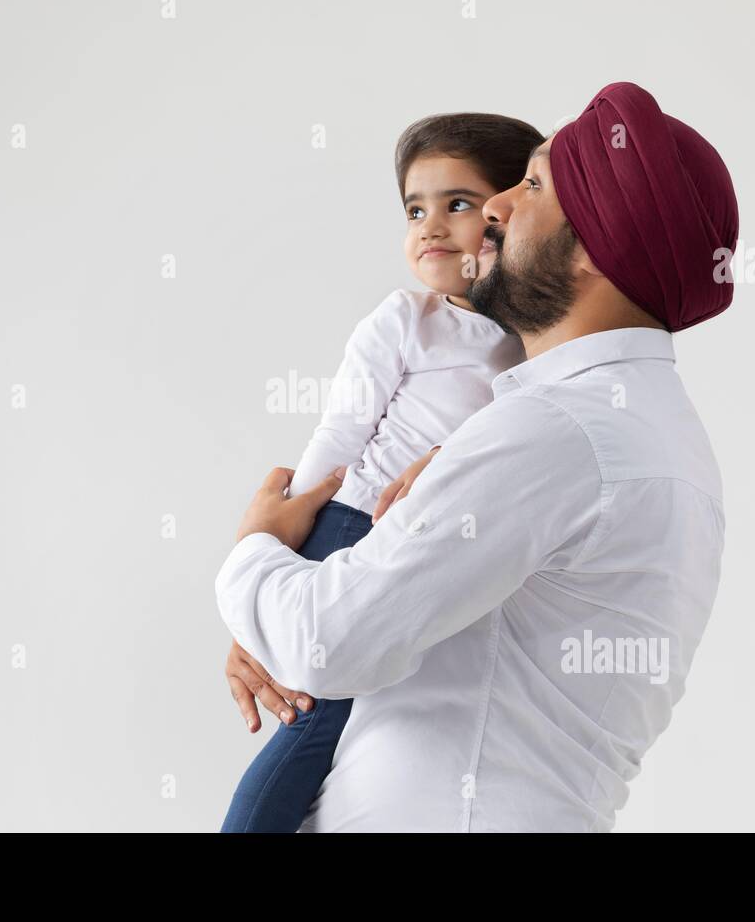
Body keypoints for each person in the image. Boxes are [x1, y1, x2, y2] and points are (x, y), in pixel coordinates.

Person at [217, 82, 740, 831]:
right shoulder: (645, 427)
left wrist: (254, 549)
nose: (496, 207)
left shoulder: (555, 428)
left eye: (531, 185)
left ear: (594, 247)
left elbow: (324, 640)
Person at [221, 112, 542, 833]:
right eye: (415, 210)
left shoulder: (531, 348)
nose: (430, 226)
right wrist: (274, 548)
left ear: (510, 212)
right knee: (314, 717)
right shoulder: (410, 318)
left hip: (421, 540)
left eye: (457, 204)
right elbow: (342, 428)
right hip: (349, 523)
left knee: (361, 726)